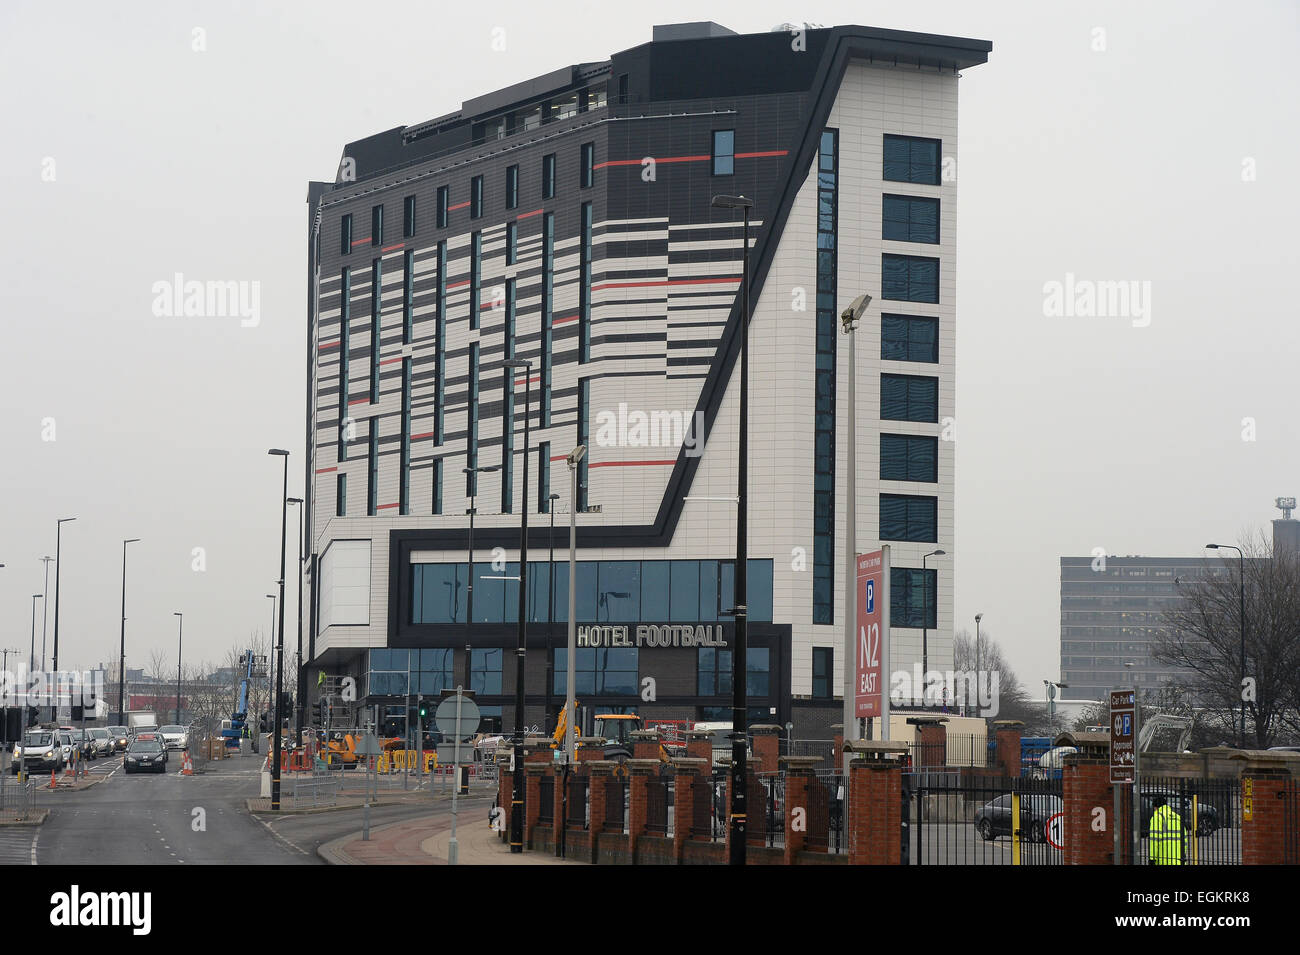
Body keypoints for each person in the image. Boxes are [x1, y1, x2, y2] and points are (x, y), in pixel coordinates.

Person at [1148, 795, 1182, 865]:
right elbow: (1184, 840)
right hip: (1178, 860)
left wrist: (1152, 858)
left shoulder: (1157, 817)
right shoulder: (1178, 817)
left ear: (1155, 807)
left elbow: (1154, 839)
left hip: (1163, 860)